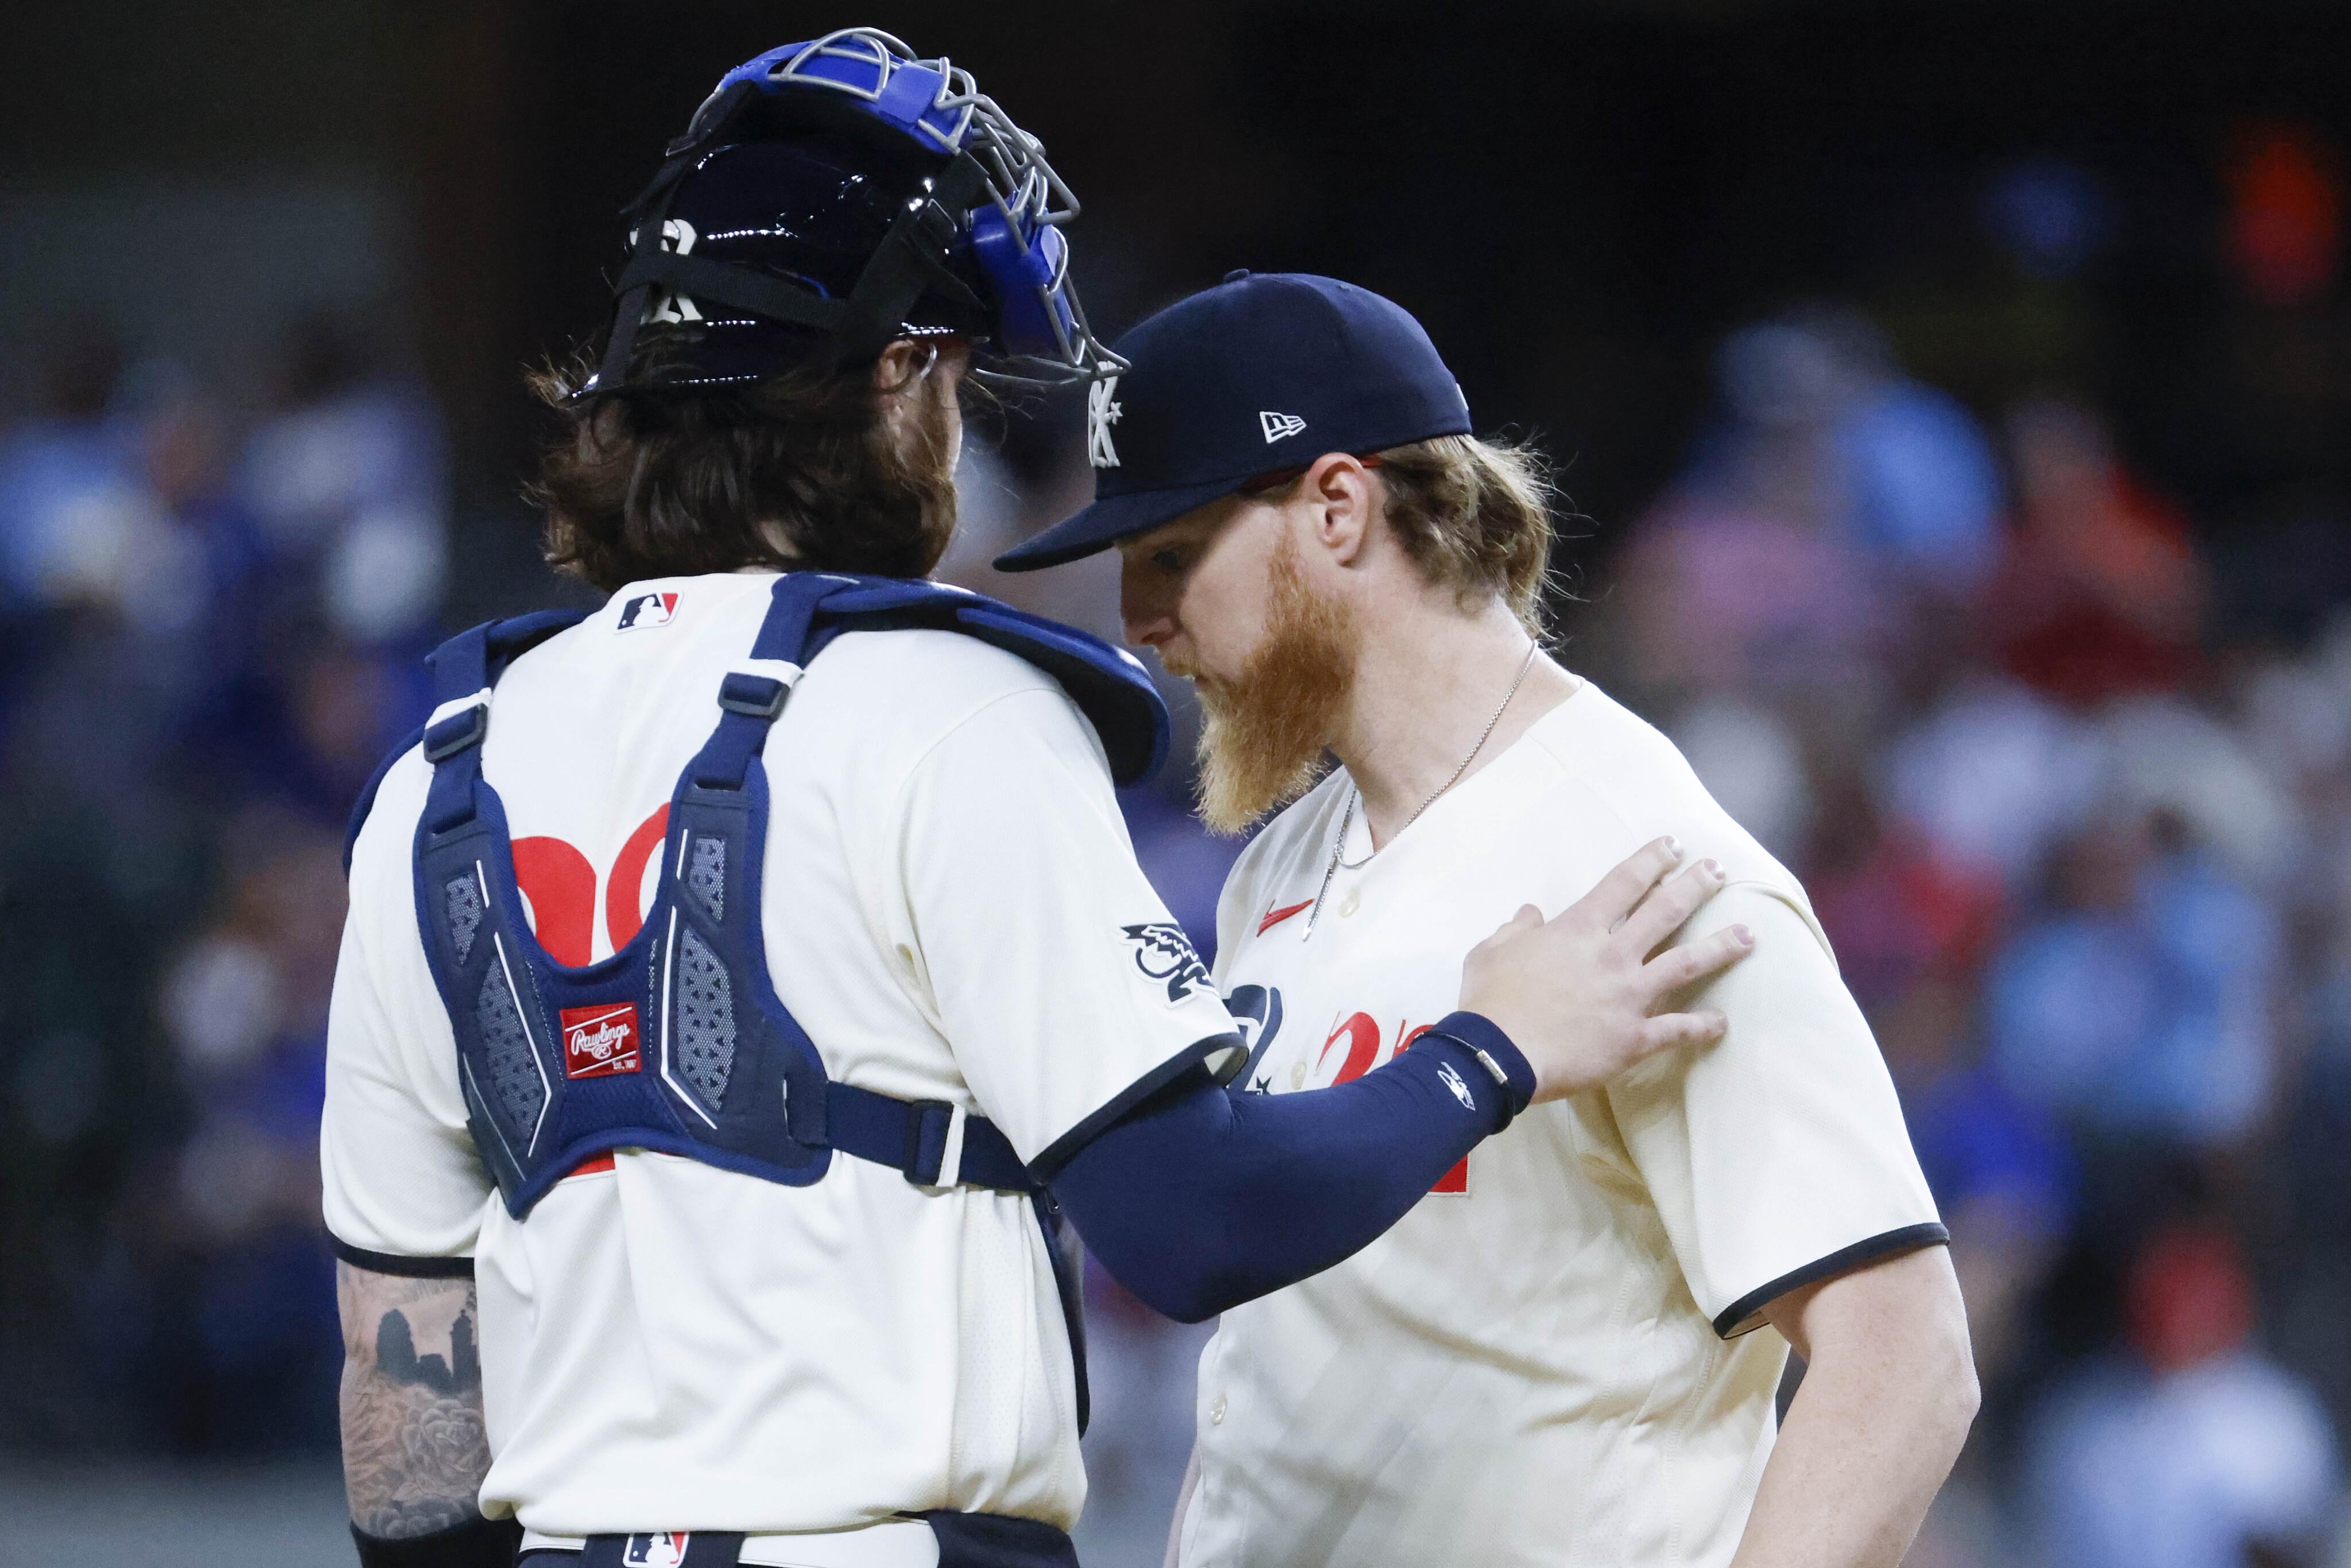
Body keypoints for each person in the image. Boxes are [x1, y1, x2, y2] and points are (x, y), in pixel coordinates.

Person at [319, 36, 1750, 1568]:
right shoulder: (948, 708)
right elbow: (1191, 1219)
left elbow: (404, 1421)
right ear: (895, 377)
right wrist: (1489, 1049)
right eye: (955, 373)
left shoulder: (440, 771)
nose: (960, 421)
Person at [992, 270, 1980, 1568]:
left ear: (1336, 508)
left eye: (1171, 554)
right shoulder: (1277, 863)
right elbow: (1270, 1369)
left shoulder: (1642, 868)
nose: (1137, 622)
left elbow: (1904, 1359)